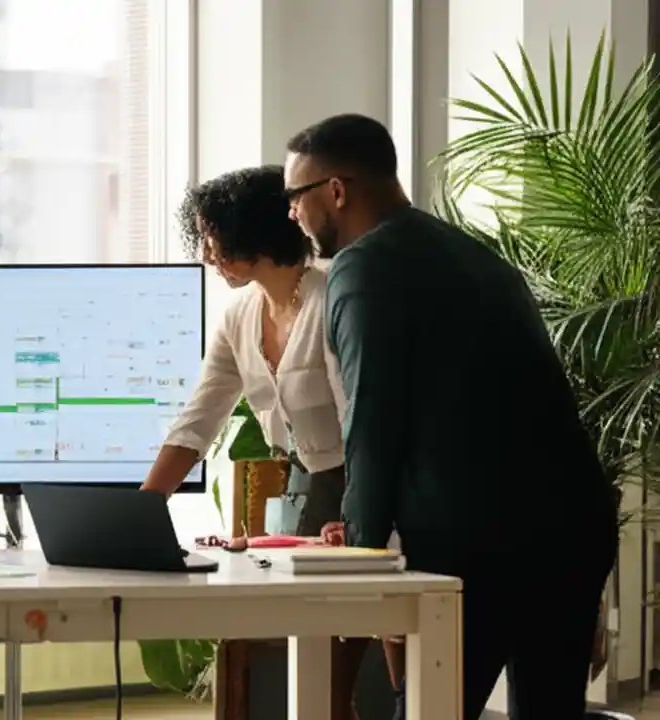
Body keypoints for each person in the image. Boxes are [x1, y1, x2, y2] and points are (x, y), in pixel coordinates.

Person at [284, 113, 617, 719]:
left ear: (335, 190)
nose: (292, 214)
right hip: (571, 527)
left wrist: (363, 561)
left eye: (295, 197)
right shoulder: (470, 255)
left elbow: (372, 420)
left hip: (477, 542)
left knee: (433, 711)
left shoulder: (363, 267)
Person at [141, 165, 377, 719]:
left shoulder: (332, 297)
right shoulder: (239, 316)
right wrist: (144, 508)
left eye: (213, 236)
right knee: (308, 650)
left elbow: (362, 417)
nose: (205, 252)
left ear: (253, 233)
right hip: (300, 485)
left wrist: (364, 510)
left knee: (350, 652)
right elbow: (198, 422)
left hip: (359, 481)